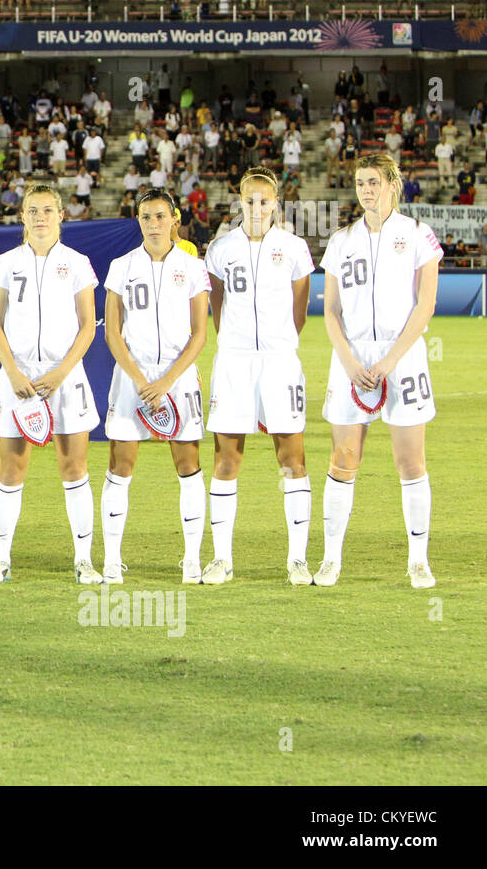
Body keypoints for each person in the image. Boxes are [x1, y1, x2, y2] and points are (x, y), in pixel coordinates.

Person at [318, 154, 441, 589]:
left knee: (410, 462)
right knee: (343, 460)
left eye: (373, 182)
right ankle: (331, 559)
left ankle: (418, 561)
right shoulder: (341, 240)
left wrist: (389, 361)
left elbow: (425, 305)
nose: (365, 190)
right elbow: (330, 311)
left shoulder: (417, 235)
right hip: (350, 360)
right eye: (359, 183)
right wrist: (350, 361)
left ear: (392, 184)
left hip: (402, 358)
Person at [203, 168, 315, 586]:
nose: (256, 208)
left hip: (280, 361)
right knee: (226, 459)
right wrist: (235, 344)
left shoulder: (294, 248)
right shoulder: (220, 249)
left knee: (291, 459)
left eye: (264, 201)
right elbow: (216, 302)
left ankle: (298, 559)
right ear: (240, 202)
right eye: (249, 200)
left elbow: (299, 310)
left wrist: (277, 345)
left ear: (275, 205)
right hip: (233, 360)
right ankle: (221, 559)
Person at [0, 184, 101, 584]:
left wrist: (61, 372)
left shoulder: (77, 263)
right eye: (33, 211)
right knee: (11, 469)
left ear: (61, 215)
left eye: (48, 210)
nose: (40, 217)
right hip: (17, 378)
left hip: (65, 377)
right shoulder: (4, 263)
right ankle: (1, 559)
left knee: (74, 468)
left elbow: (88, 327)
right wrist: (14, 373)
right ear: (22, 216)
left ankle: (84, 560)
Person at [102, 189, 210, 584]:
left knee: (188, 466)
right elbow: (113, 332)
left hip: (177, 378)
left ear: (174, 220)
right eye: (146, 217)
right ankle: (112, 559)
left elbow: (200, 333)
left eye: (160, 216)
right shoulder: (121, 266)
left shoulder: (193, 267)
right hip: (133, 377)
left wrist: (167, 380)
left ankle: (192, 559)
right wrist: (140, 378)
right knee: (121, 465)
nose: (152, 224)